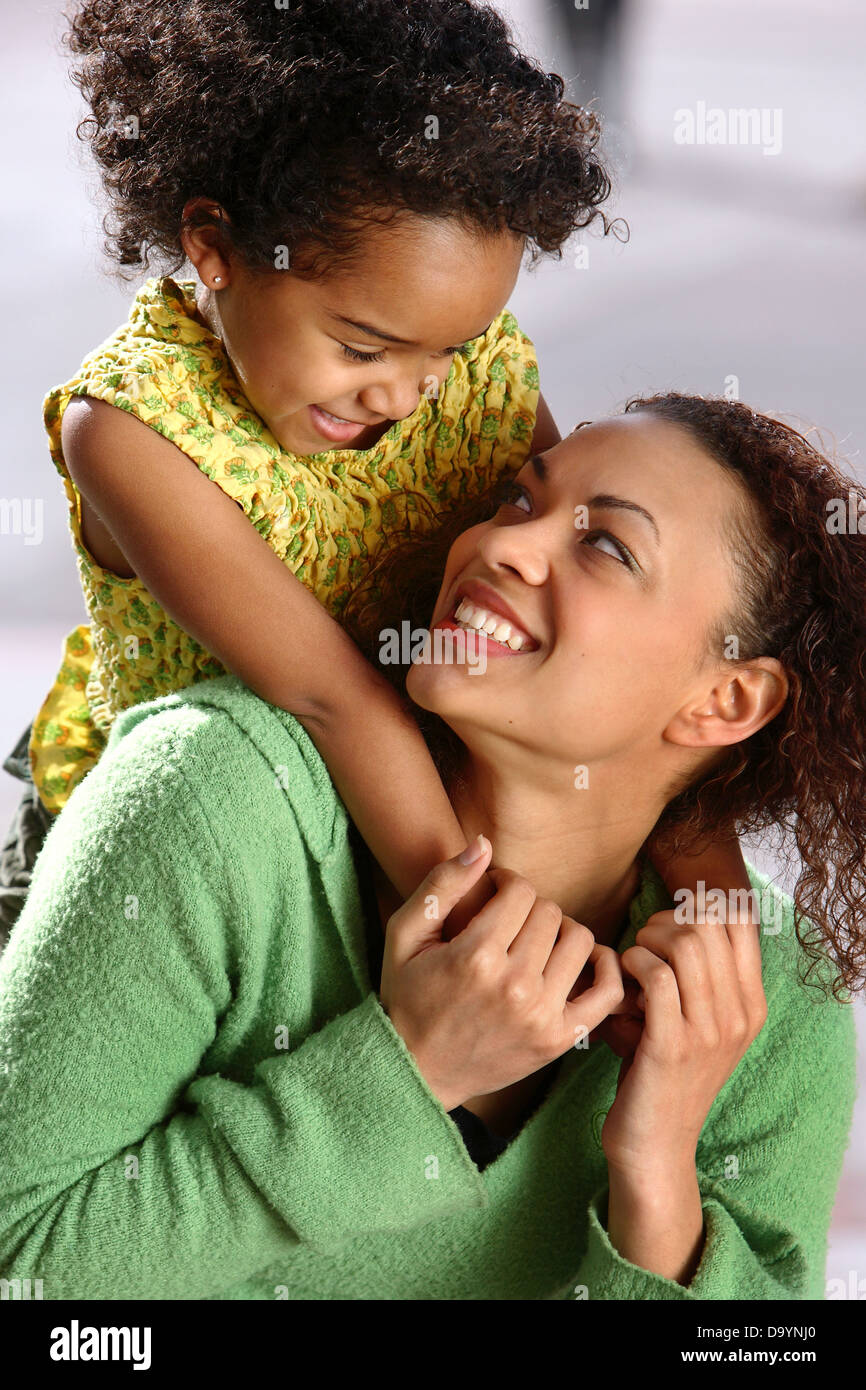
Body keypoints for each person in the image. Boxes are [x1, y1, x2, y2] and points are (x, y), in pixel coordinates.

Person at [0, 394, 859, 1300]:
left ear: (725, 702)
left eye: (605, 546)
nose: (500, 544)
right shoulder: (216, 799)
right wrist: (404, 1071)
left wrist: (657, 1177)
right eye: (516, 500)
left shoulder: (764, 1009)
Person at [0, 0, 752, 955]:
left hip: (394, 803)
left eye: (448, 349)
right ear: (215, 249)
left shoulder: (465, 377)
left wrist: (713, 901)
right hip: (180, 848)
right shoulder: (132, 431)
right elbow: (334, 701)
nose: (404, 394)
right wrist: (510, 967)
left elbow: (627, 639)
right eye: (362, 348)